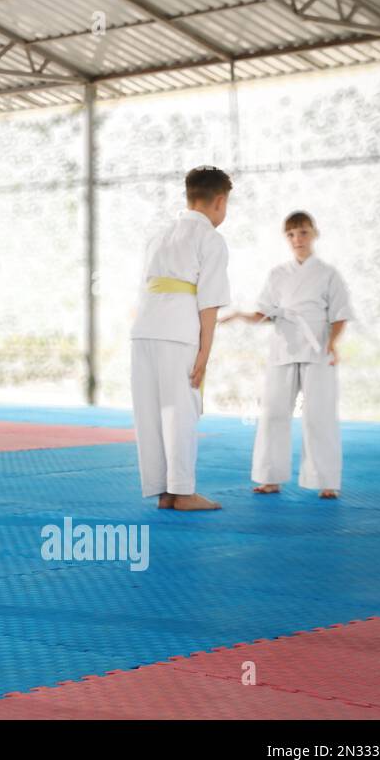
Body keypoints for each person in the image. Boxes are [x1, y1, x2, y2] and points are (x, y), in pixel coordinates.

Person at [220, 211, 353, 499]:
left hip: (317, 347)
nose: (297, 239)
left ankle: (326, 479)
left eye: (303, 232)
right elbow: (264, 312)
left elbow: (340, 314)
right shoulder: (277, 274)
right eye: (291, 234)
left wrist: (332, 343)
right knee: (273, 413)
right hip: (283, 347)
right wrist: (239, 315)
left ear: (315, 233)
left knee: (319, 415)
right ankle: (270, 477)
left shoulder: (329, 274)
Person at [129, 166, 232, 512]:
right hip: (179, 331)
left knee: (150, 412)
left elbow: (144, 287)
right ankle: (184, 492)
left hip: (143, 330)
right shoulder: (211, 239)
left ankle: (163, 492)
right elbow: (209, 302)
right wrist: (205, 352)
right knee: (181, 411)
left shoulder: (158, 236)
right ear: (219, 201)